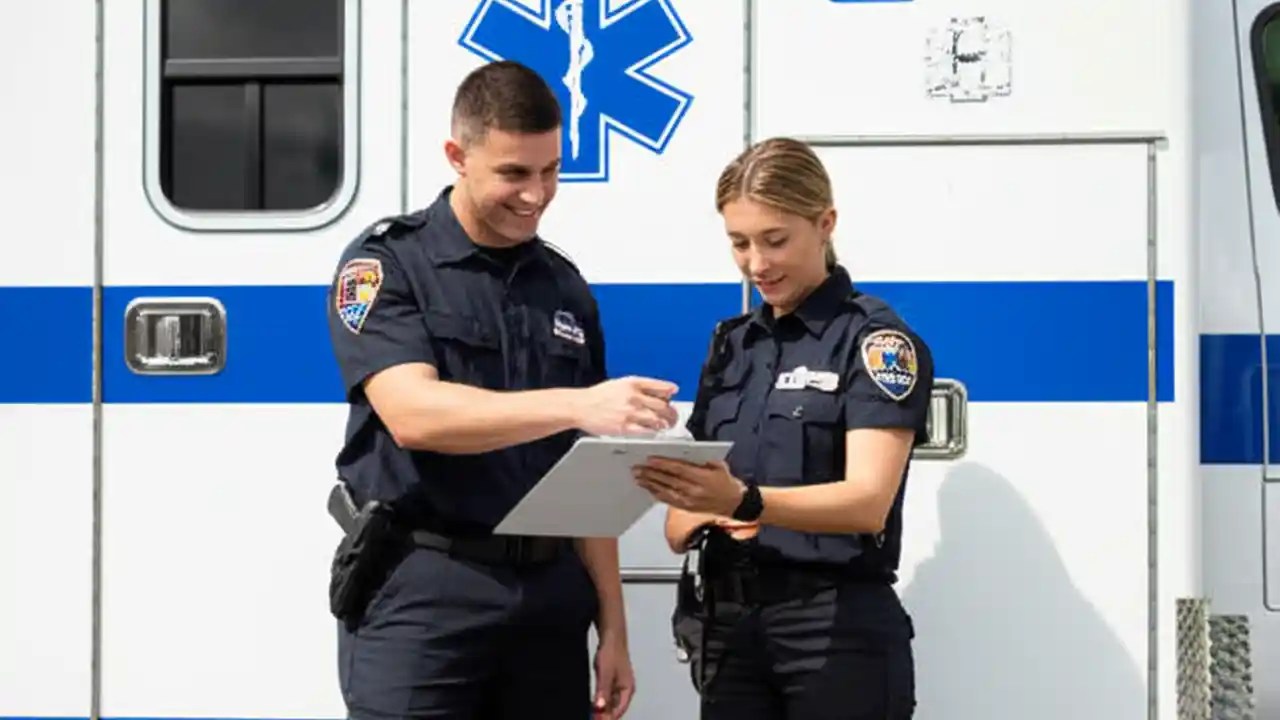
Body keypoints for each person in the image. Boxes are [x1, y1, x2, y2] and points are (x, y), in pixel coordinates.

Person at [324, 59, 679, 720]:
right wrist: (578, 403)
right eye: (514, 173)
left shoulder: (563, 287)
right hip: (426, 587)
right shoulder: (388, 264)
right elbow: (413, 416)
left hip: (547, 601)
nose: (536, 194)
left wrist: (615, 630)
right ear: (457, 156)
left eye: (551, 171)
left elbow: (584, 482)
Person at [632, 137, 934, 719]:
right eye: (738, 243)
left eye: (775, 240)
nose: (756, 263)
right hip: (730, 628)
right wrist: (685, 497)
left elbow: (868, 502)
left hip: (832, 627)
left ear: (825, 223)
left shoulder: (873, 342)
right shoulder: (732, 345)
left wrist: (744, 502)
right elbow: (679, 526)